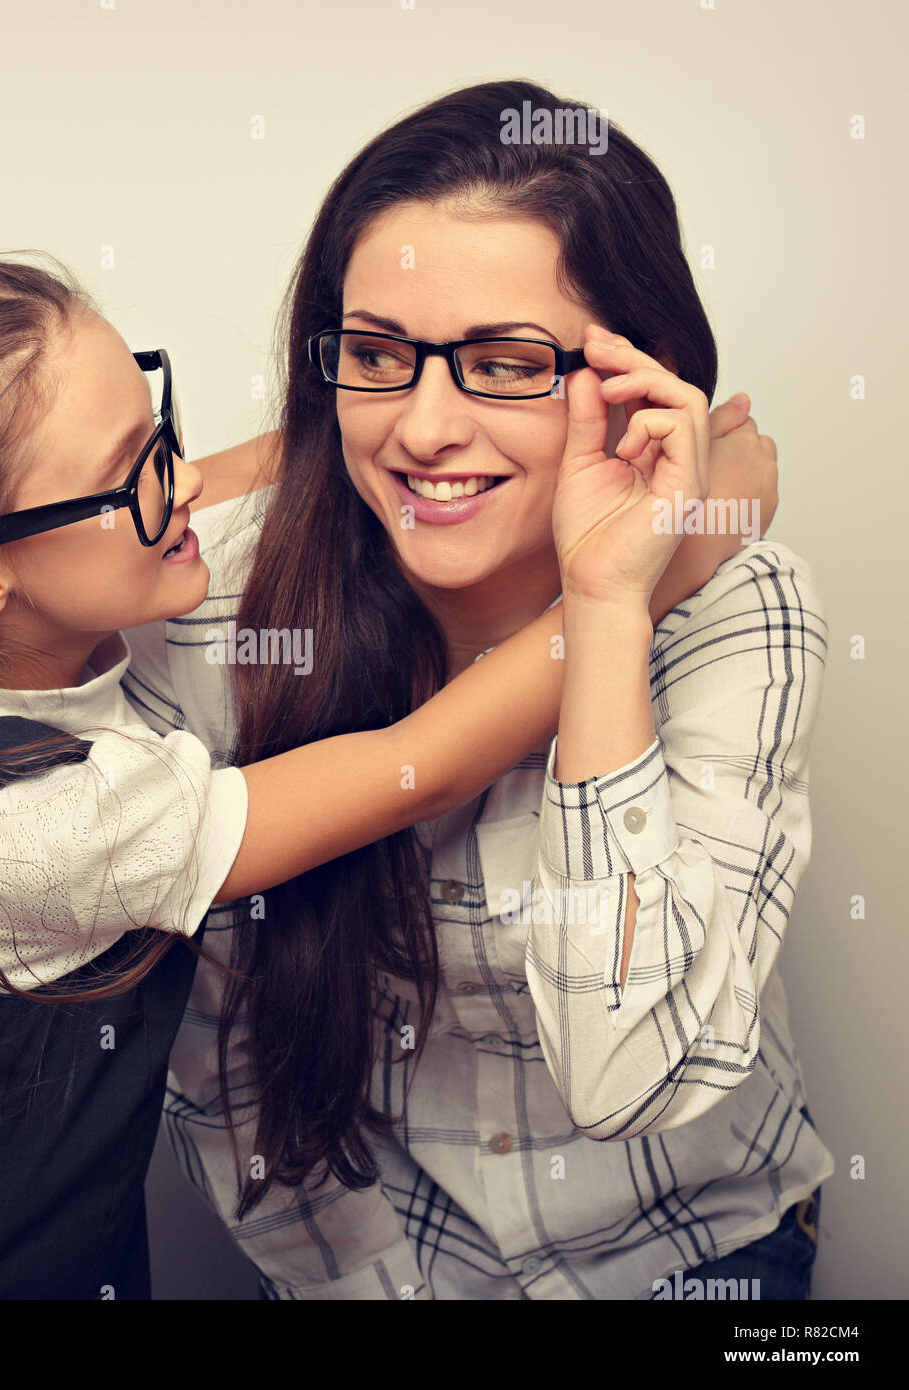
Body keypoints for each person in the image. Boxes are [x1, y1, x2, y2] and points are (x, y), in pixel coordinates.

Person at [0, 251, 721, 1300]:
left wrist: (390, 424)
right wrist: (660, 563)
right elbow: (416, 763)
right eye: (138, 477)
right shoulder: (42, 835)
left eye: (162, 436)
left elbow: (239, 469)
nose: (188, 483)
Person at [132, 79, 832, 1299]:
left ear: (639, 375)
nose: (424, 427)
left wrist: (615, 605)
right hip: (360, 1269)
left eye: (504, 363)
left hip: (687, 1257)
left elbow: (638, 1078)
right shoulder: (212, 607)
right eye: (376, 356)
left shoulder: (735, 602)